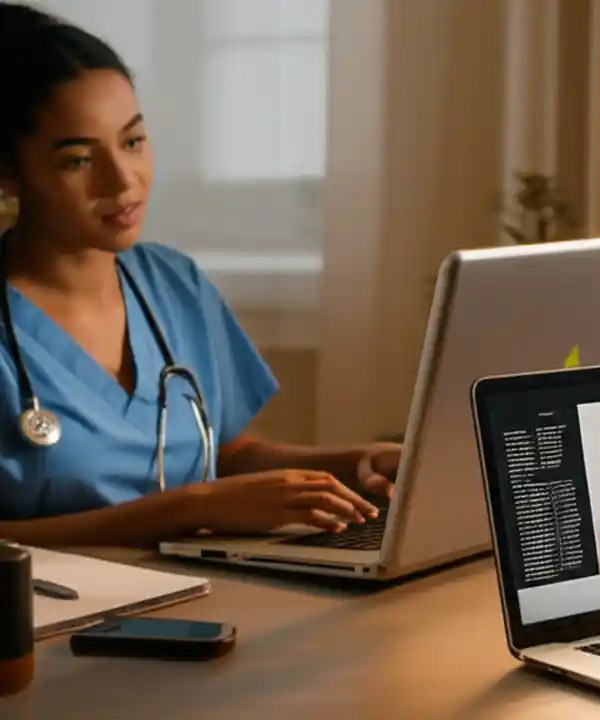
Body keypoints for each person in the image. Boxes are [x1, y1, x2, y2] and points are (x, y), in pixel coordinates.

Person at [0, 3, 400, 547]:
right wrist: (189, 508)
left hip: (209, 589)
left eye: (132, 142)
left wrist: (356, 462)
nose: (123, 181)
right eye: (78, 160)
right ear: (7, 172)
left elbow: (225, 454)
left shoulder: (172, 283)